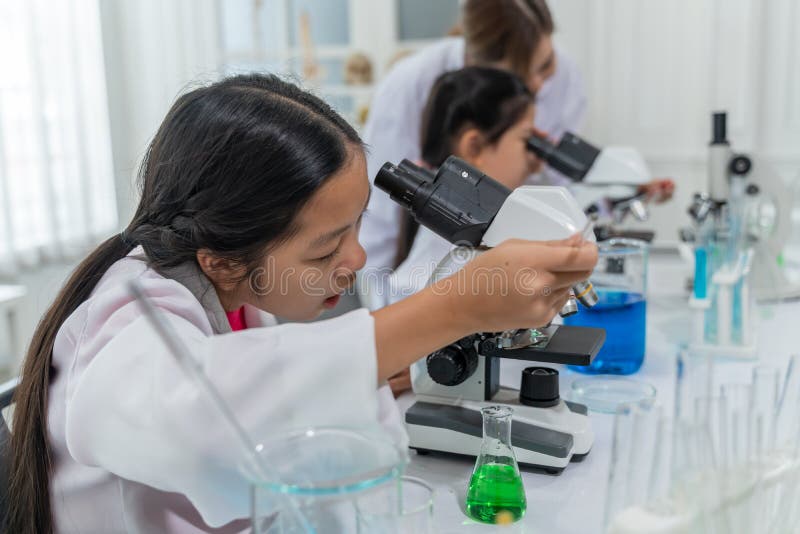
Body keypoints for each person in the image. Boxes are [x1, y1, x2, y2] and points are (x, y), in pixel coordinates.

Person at [6, 74, 597, 534]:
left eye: (357, 226)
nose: (357, 259)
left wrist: (367, 373)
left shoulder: (234, 292)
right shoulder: (129, 315)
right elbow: (203, 429)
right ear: (222, 258)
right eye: (324, 250)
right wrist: (454, 309)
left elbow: (269, 394)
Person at [360, 0, 672, 277]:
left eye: (546, 66)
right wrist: (386, 315)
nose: (537, 86)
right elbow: (380, 220)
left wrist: (614, 192)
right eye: (520, 78)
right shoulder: (408, 85)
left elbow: (563, 185)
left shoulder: (564, 75)